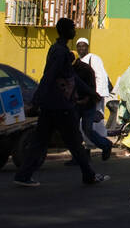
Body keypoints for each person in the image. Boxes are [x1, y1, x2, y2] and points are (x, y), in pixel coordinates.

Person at [14, 18, 109, 187]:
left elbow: (71, 77)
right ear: (65, 30)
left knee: (40, 141)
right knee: (73, 142)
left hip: (51, 105)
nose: (75, 30)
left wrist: (90, 91)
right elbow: (49, 76)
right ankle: (89, 175)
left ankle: (23, 175)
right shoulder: (60, 53)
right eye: (72, 28)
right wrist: (36, 101)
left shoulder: (60, 50)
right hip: (60, 106)